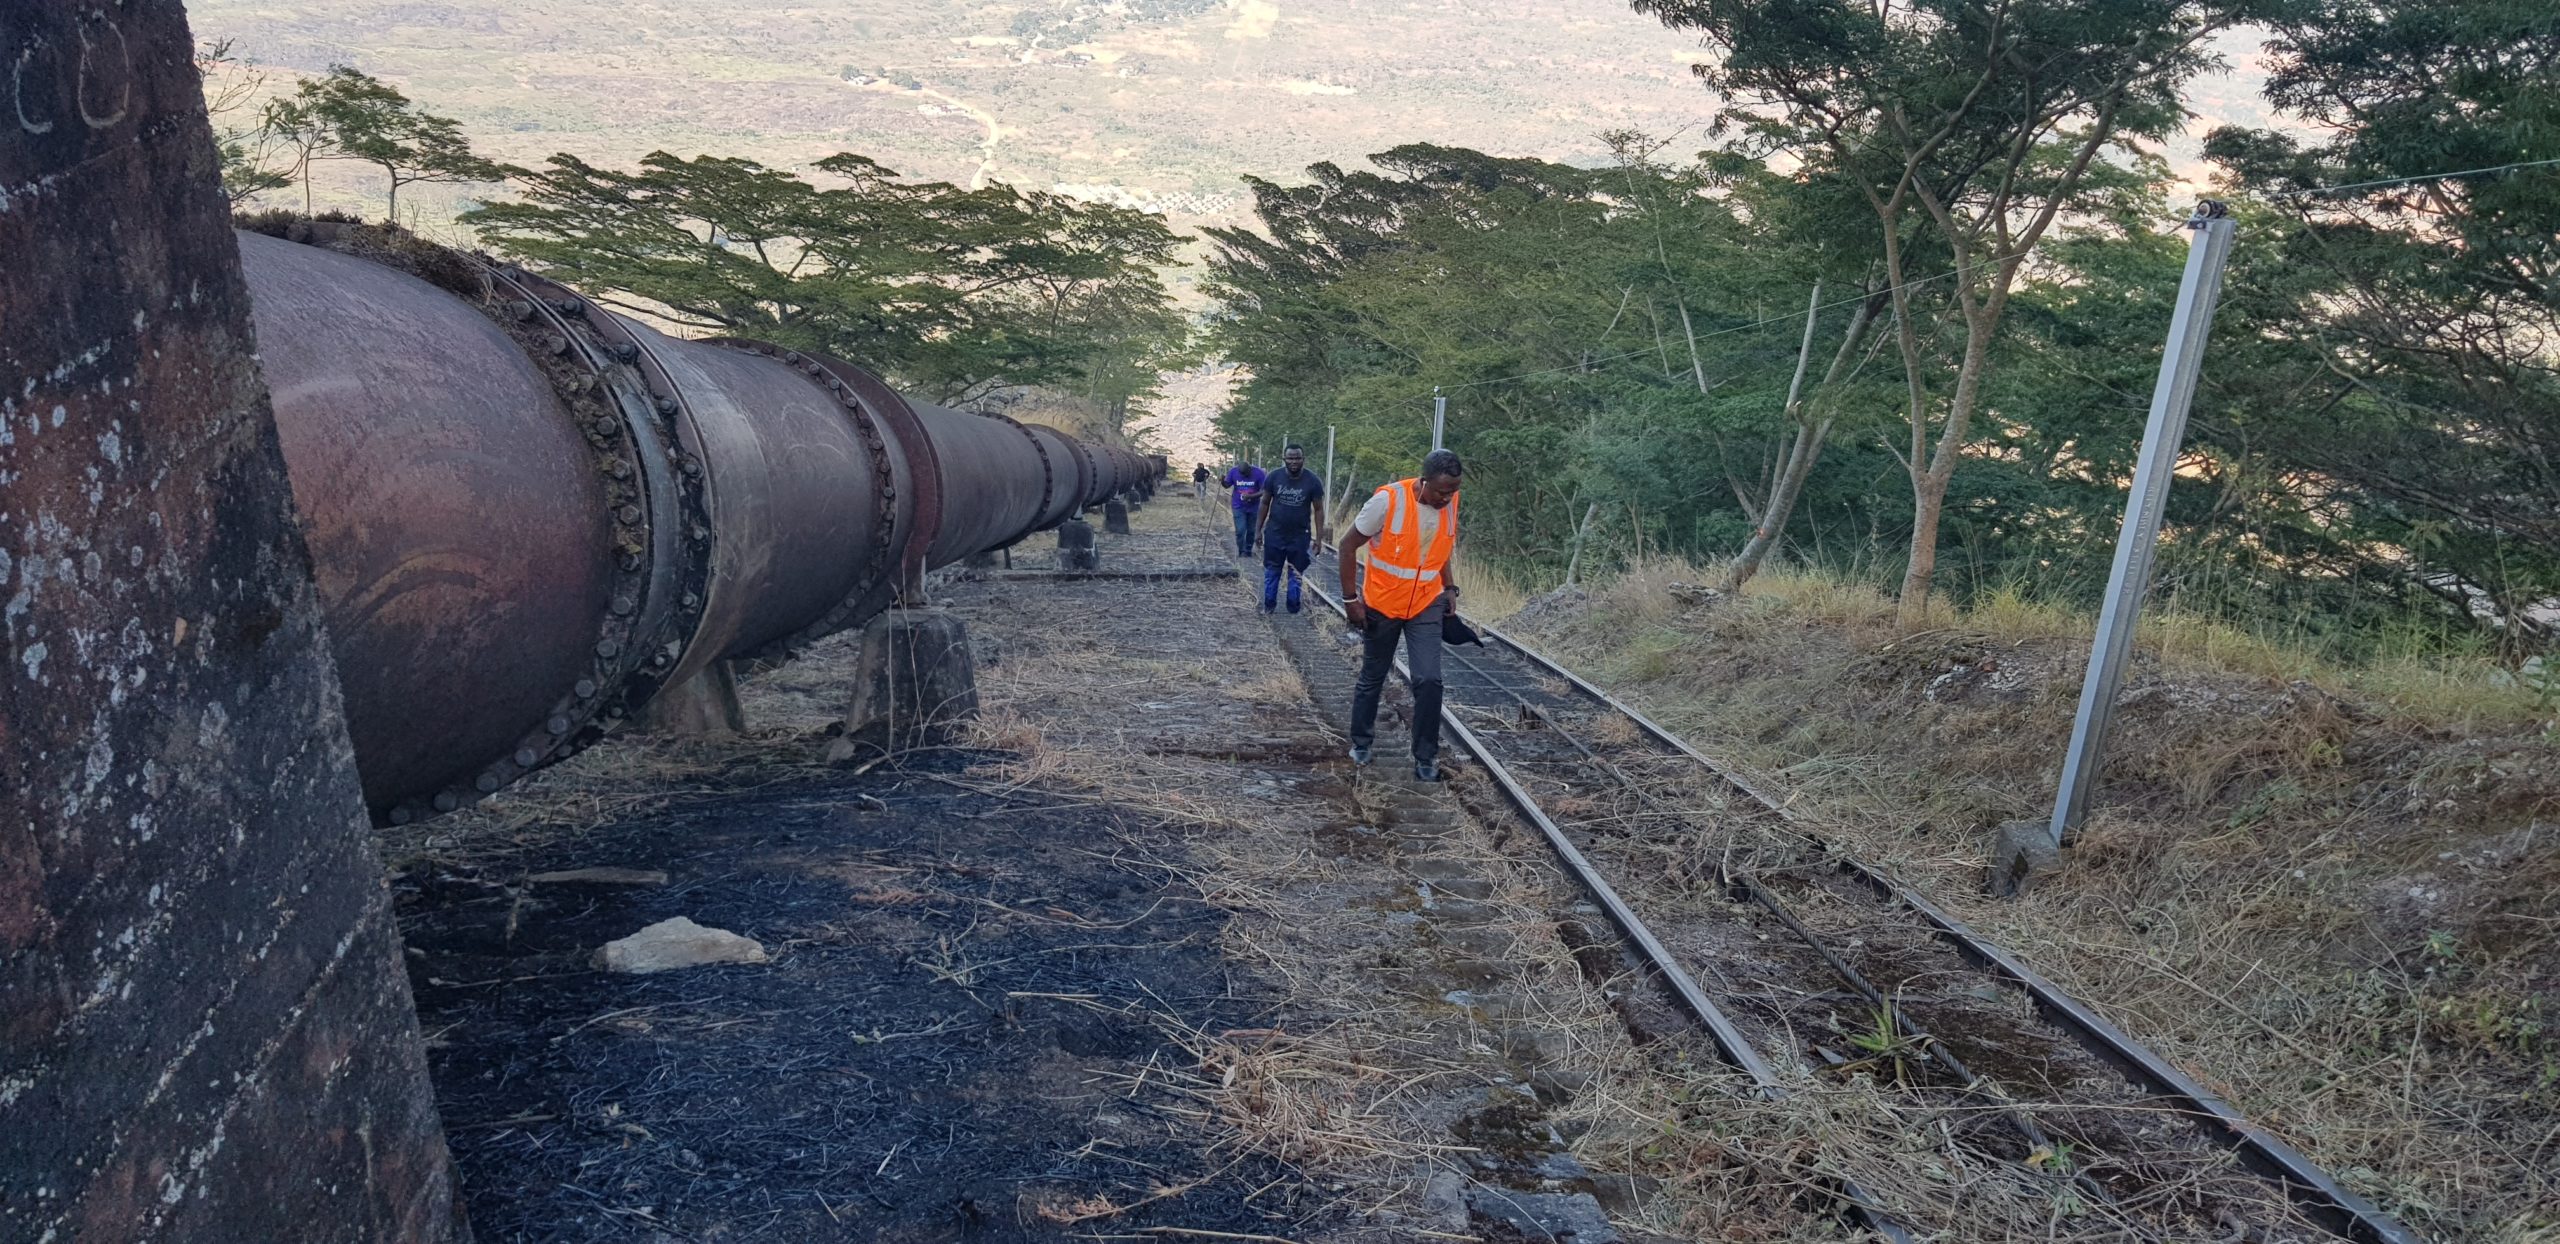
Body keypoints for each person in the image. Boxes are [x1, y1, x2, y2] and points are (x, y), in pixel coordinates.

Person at [1338, 449, 1462, 782]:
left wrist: (1449, 587)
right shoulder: (1388, 501)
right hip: (1382, 604)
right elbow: (1347, 546)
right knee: (1373, 676)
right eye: (1440, 491)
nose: (1446, 498)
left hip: (1426, 603)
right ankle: (1361, 743)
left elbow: (1441, 547)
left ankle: (1425, 757)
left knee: (1429, 680)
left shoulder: (1451, 500)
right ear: (1424, 481)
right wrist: (1351, 600)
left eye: (1452, 491)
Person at [1254, 445, 1326, 614]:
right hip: (1275, 534)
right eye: (1290, 458)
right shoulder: (1273, 477)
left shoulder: (1313, 481)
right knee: (1272, 570)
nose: (1294, 461)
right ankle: (1269, 606)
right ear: (1284, 459)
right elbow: (1264, 503)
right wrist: (1258, 530)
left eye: (1297, 458)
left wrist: (1319, 538)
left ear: (1303, 459)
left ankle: (1293, 608)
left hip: (1300, 536)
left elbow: (1318, 510)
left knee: (1296, 572)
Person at [1221, 456, 1267, 557]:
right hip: (1238, 505)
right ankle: (1241, 550)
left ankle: (1248, 550)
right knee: (1240, 530)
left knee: (1251, 530)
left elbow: (1264, 490)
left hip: (1254, 506)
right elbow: (1227, 485)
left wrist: (1251, 496)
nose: (1245, 476)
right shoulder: (1233, 472)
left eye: (1246, 474)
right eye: (1242, 474)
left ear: (1250, 469)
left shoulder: (1258, 473)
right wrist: (1222, 481)